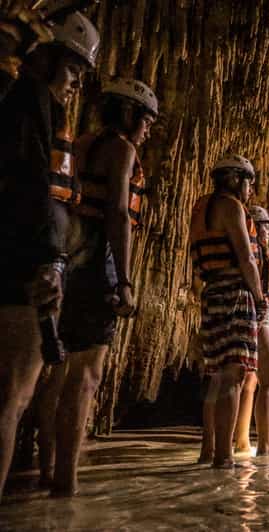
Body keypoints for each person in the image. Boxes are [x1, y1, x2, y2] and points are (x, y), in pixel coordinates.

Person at [35, 78, 158, 496]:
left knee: (58, 370)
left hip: (62, 255)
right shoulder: (122, 149)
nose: (148, 130)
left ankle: (47, 469)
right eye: (146, 121)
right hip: (95, 258)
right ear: (128, 114)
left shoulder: (83, 141)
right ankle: (67, 485)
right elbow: (119, 213)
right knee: (87, 375)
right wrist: (123, 280)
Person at [0, 11, 99, 501]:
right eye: (75, 70)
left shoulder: (24, 101)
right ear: (49, 55)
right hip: (21, 266)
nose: (77, 83)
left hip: (26, 257)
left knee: (16, 396)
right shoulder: (31, 102)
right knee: (11, 397)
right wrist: (47, 260)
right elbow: (30, 184)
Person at [189, 154, 267, 468]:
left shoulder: (200, 206)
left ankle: (209, 451)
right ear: (235, 178)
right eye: (249, 182)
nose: (250, 190)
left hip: (211, 292)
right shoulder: (232, 207)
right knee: (235, 373)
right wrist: (260, 298)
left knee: (217, 375)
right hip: (235, 292)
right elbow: (247, 259)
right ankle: (224, 458)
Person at [233, 205, 269, 455]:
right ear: (254, 226)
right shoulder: (257, 253)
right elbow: (262, 291)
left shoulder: (240, 249)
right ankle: (265, 445)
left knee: (247, 382)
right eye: (265, 225)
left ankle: (241, 440)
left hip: (240, 317)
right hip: (260, 319)